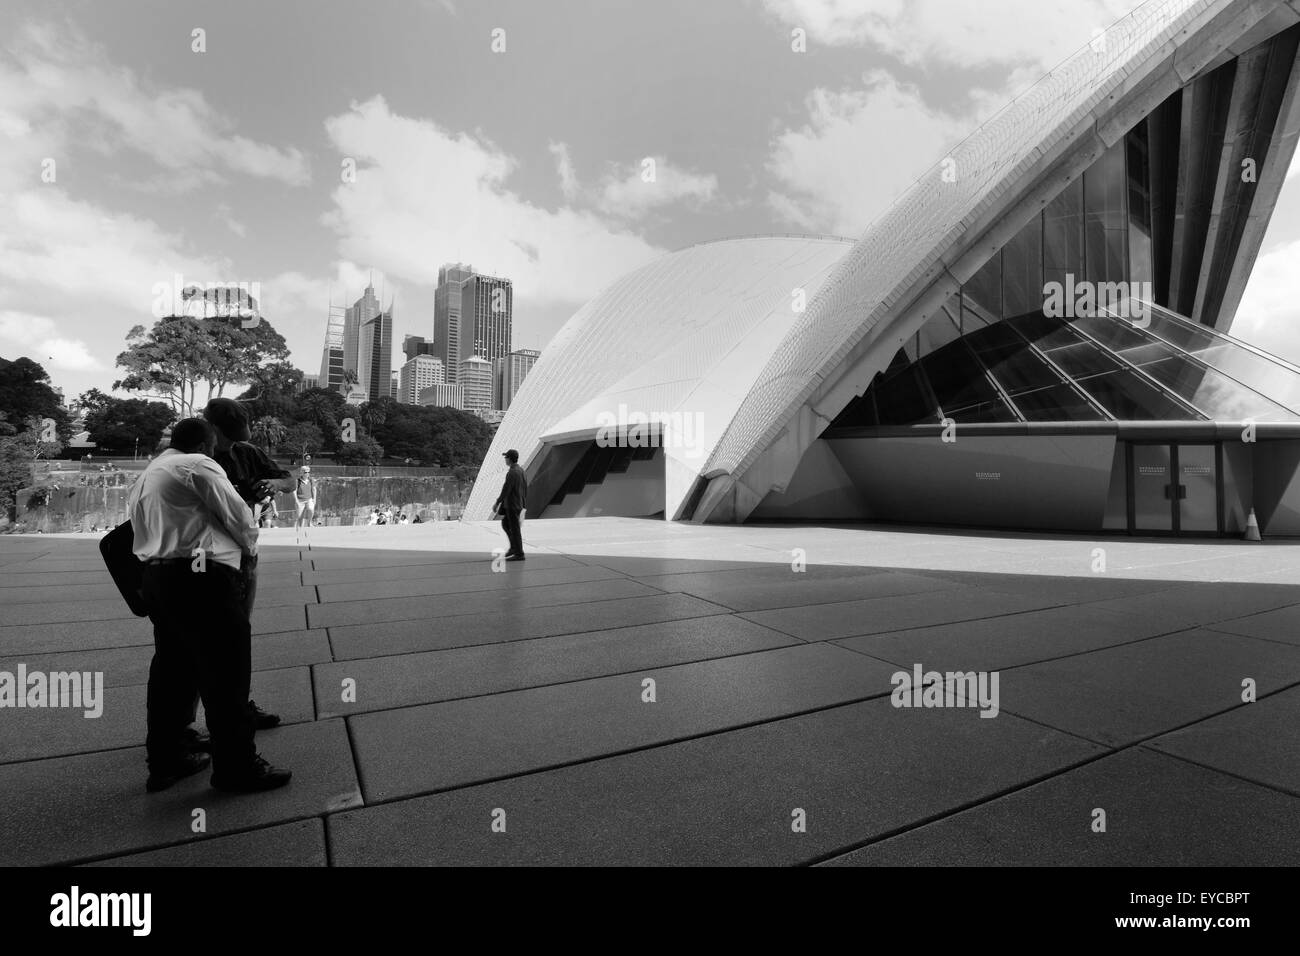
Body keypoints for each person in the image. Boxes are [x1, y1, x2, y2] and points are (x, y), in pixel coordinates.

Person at [127, 418, 291, 794]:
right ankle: (237, 768)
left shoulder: (149, 473)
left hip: (159, 580)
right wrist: (249, 549)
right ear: (204, 443)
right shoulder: (197, 465)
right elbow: (238, 518)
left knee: (172, 673)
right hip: (201, 580)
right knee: (226, 676)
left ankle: (168, 760)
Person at [202, 398, 293, 730]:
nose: (228, 445)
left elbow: (288, 479)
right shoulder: (200, 460)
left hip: (243, 552)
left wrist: (274, 485)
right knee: (220, 640)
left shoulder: (246, 452)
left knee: (237, 636)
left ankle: (236, 707)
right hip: (210, 557)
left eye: (233, 438)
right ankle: (228, 718)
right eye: (224, 437)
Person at [493, 449, 528, 561]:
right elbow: (525, 488)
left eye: (506, 457)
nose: (505, 459)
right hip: (518, 504)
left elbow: (506, 489)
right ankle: (514, 548)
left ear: (510, 459)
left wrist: (497, 502)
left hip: (512, 505)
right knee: (505, 523)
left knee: (515, 529)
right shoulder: (521, 470)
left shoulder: (512, 472)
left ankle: (519, 554)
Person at [292, 465, 317, 534]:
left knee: (311, 509)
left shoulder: (311, 480)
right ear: (301, 473)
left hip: (309, 499)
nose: (307, 473)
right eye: (305, 472)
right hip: (300, 500)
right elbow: (294, 491)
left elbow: (314, 489)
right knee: (299, 517)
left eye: (308, 472)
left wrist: (314, 499)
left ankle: (309, 522)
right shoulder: (297, 481)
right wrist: (296, 500)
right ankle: (299, 531)